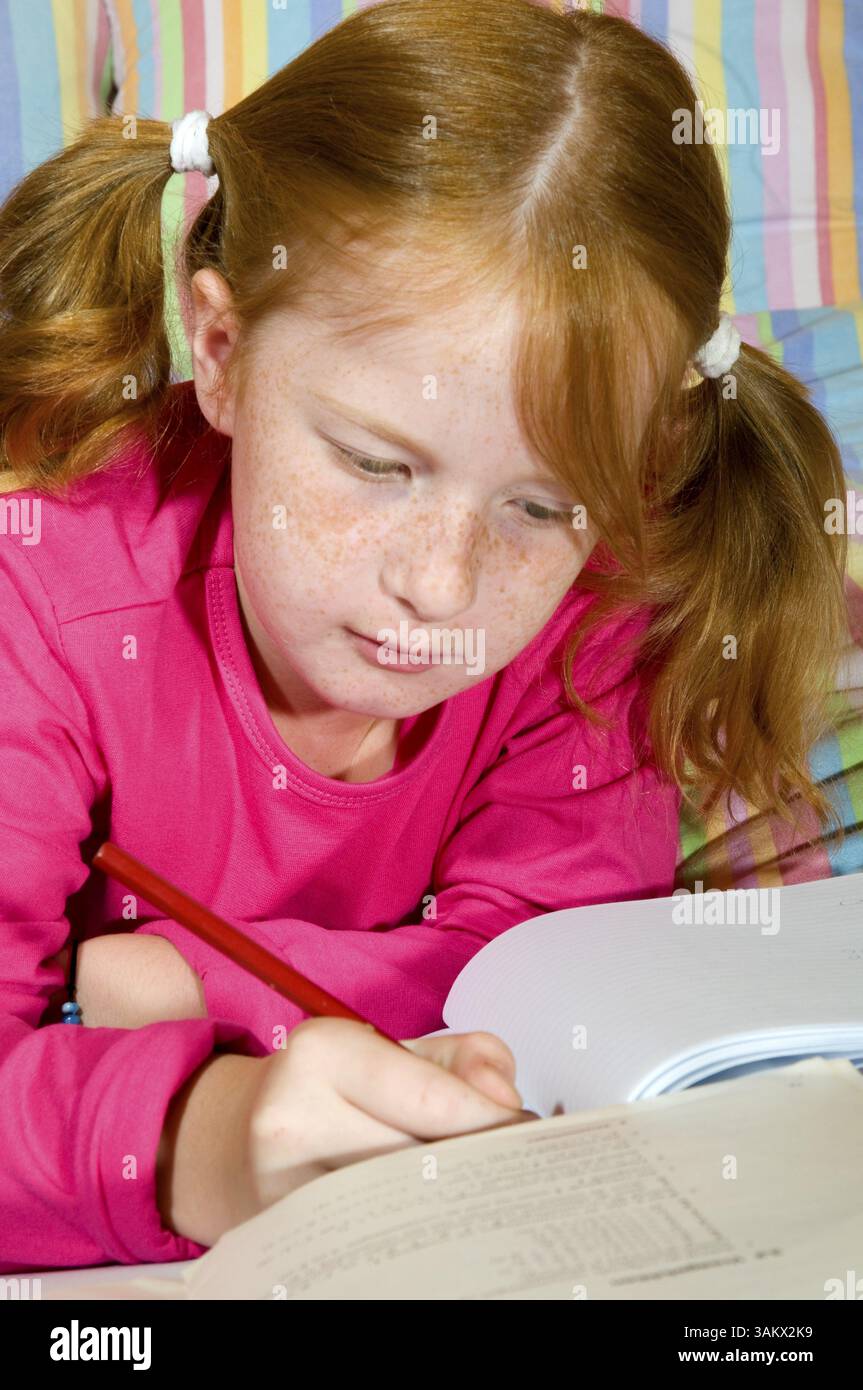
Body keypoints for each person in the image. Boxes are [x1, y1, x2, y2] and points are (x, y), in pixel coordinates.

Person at [0, 0, 848, 1273]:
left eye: (538, 504)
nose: (443, 588)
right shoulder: (47, 603)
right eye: (373, 463)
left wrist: (187, 984)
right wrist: (188, 1137)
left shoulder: (595, 623)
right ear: (221, 351)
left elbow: (535, 972)